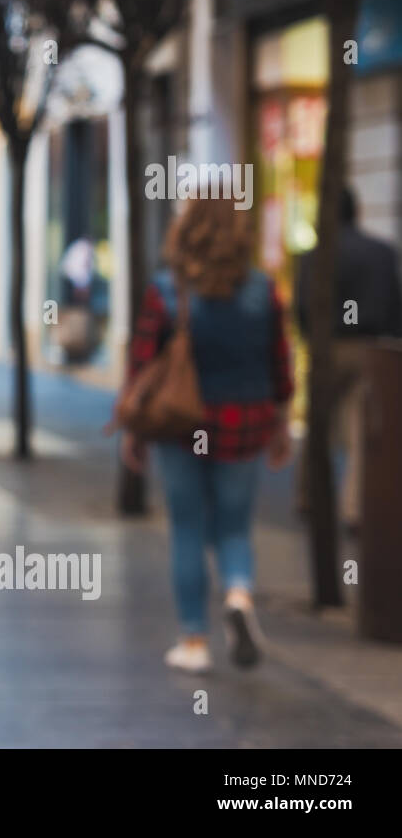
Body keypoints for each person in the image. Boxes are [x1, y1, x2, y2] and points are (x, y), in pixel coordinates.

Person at [120, 195, 293, 674]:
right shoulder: (263, 291)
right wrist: (281, 421)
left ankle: (194, 641)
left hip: (181, 424)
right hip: (245, 424)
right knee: (235, 526)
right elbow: (279, 363)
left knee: (188, 528)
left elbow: (141, 366)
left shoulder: (166, 290)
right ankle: (238, 594)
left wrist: (134, 432)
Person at [295, 186, 402, 531]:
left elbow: (302, 307)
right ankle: (353, 506)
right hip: (369, 346)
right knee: (359, 430)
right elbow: (394, 305)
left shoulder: (313, 256)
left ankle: (310, 495)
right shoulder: (381, 252)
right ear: (356, 211)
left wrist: (310, 336)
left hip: (327, 346)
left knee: (319, 424)